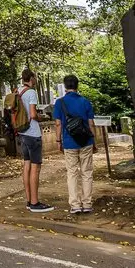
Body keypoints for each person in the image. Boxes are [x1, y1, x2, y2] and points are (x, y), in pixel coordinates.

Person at [53, 74, 96, 214]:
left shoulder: (60, 103)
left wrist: (58, 140)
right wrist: (93, 140)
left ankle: (75, 205)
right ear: (77, 85)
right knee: (87, 172)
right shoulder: (85, 102)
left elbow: (58, 124)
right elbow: (91, 124)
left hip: (69, 142)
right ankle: (87, 203)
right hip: (86, 141)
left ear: (65, 86)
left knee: (72, 173)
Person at [17, 68, 53, 212]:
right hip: (32, 133)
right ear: (31, 78)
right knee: (35, 167)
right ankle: (34, 202)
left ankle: (28, 199)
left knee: (27, 165)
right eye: (35, 77)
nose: (36, 80)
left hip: (22, 133)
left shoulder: (19, 91)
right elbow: (32, 114)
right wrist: (41, 117)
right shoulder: (31, 92)